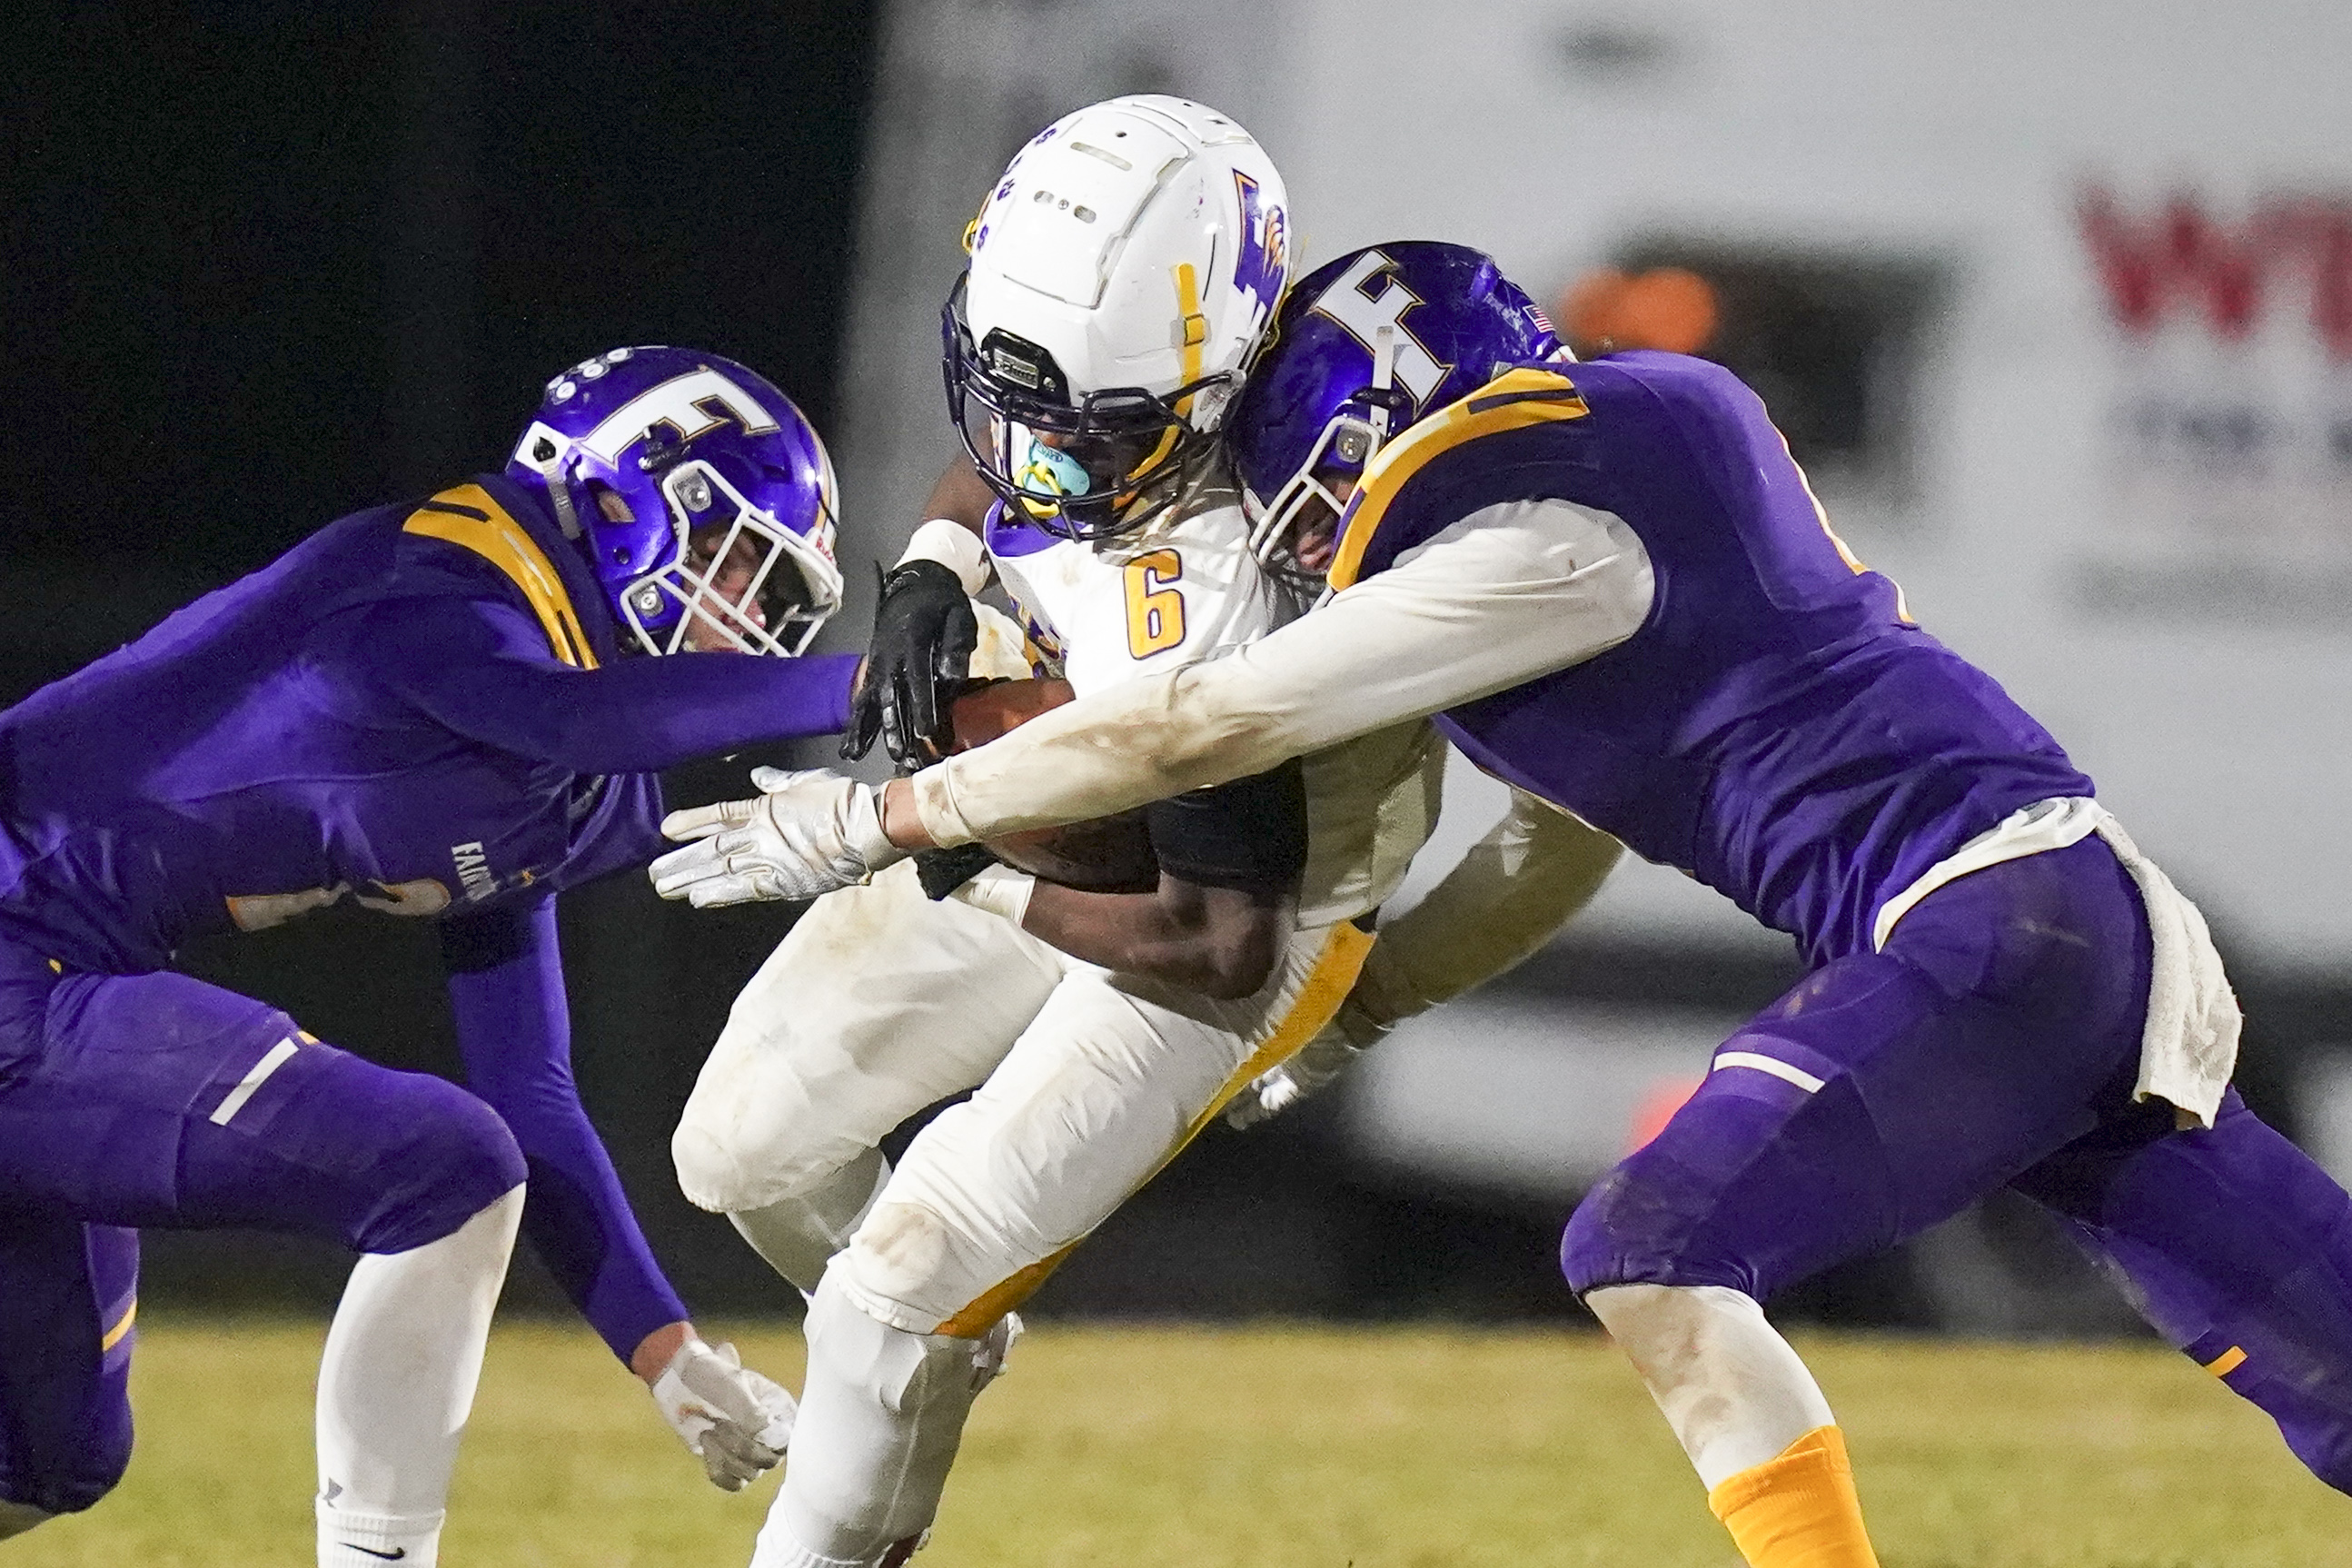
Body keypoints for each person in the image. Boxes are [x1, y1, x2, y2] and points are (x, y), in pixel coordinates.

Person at [650, 243, 2352, 1565]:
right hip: (2067, 910)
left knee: (1649, 1246)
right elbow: (1560, 838)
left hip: (1978, 921)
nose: (1310, 536)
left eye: (1313, 488)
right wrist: (1377, 1008)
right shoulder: (1659, 431)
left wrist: (882, 817)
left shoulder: (1521, 542)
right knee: (2331, 1366)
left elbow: (1206, 719)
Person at [652, 104, 1618, 1568]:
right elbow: (1016, 437)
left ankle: (883, 1414)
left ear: (1216, 383)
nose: (1040, 467)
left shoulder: (1271, 549)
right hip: (1055, 809)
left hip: (1226, 912)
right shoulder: (1133, 382)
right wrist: (937, 556)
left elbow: (1216, 938)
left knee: (883, 1298)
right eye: (1014, 405)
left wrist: (958, 859)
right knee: (736, 1152)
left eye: (1087, 438)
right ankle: (925, 1365)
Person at [0, 345, 861, 1567]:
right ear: (625, 499)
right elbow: (570, 718)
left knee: (50, 1458)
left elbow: (534, 1088)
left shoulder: (546, 748)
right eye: (733, 565)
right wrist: (868, 688)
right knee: (440, 1168)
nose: (747, 622)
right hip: (17, 941)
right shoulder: (434, 585)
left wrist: (662, 1347)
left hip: (61, 979)